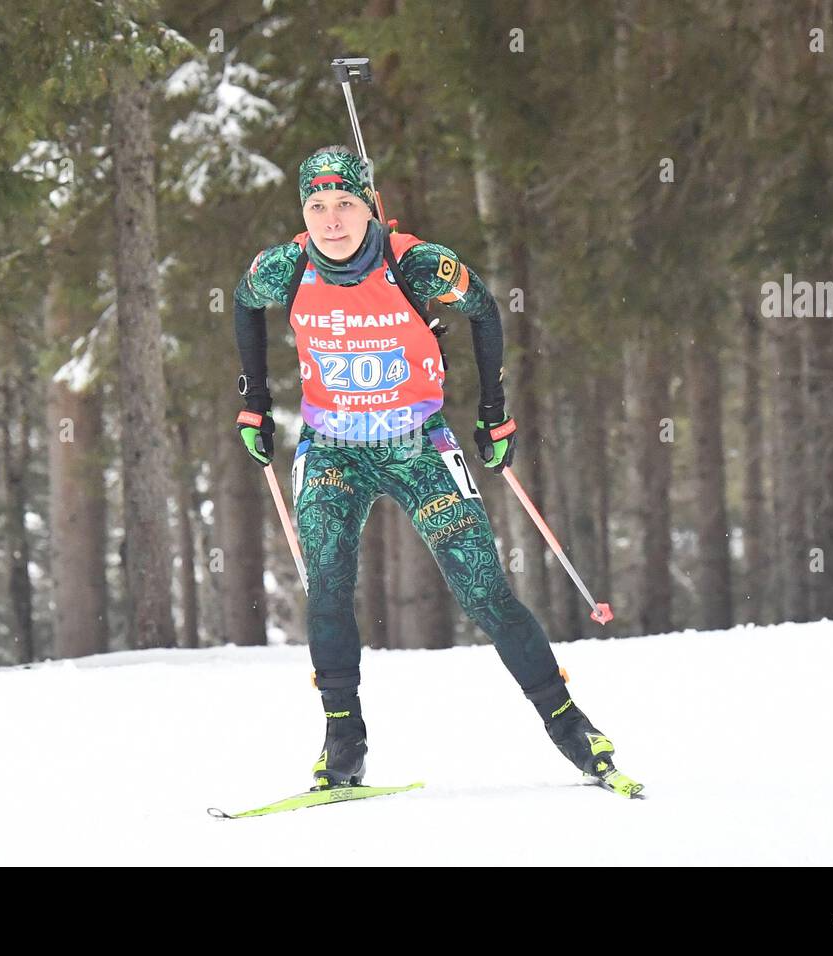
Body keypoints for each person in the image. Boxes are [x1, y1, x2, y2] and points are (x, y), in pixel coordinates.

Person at [231, 146, 641, 797]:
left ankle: (573, 729)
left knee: (484, 592)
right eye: (317, 207)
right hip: (333, 450)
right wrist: (254, 402)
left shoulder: (417, 265)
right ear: (303, 212)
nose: (331, 221)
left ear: (369, 207)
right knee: (328, 587)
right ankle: (343, 744)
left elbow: (483, 309)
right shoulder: (286, 267)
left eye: (345, 205)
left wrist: (494, 414)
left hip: (416, 444)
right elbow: (242, 301)